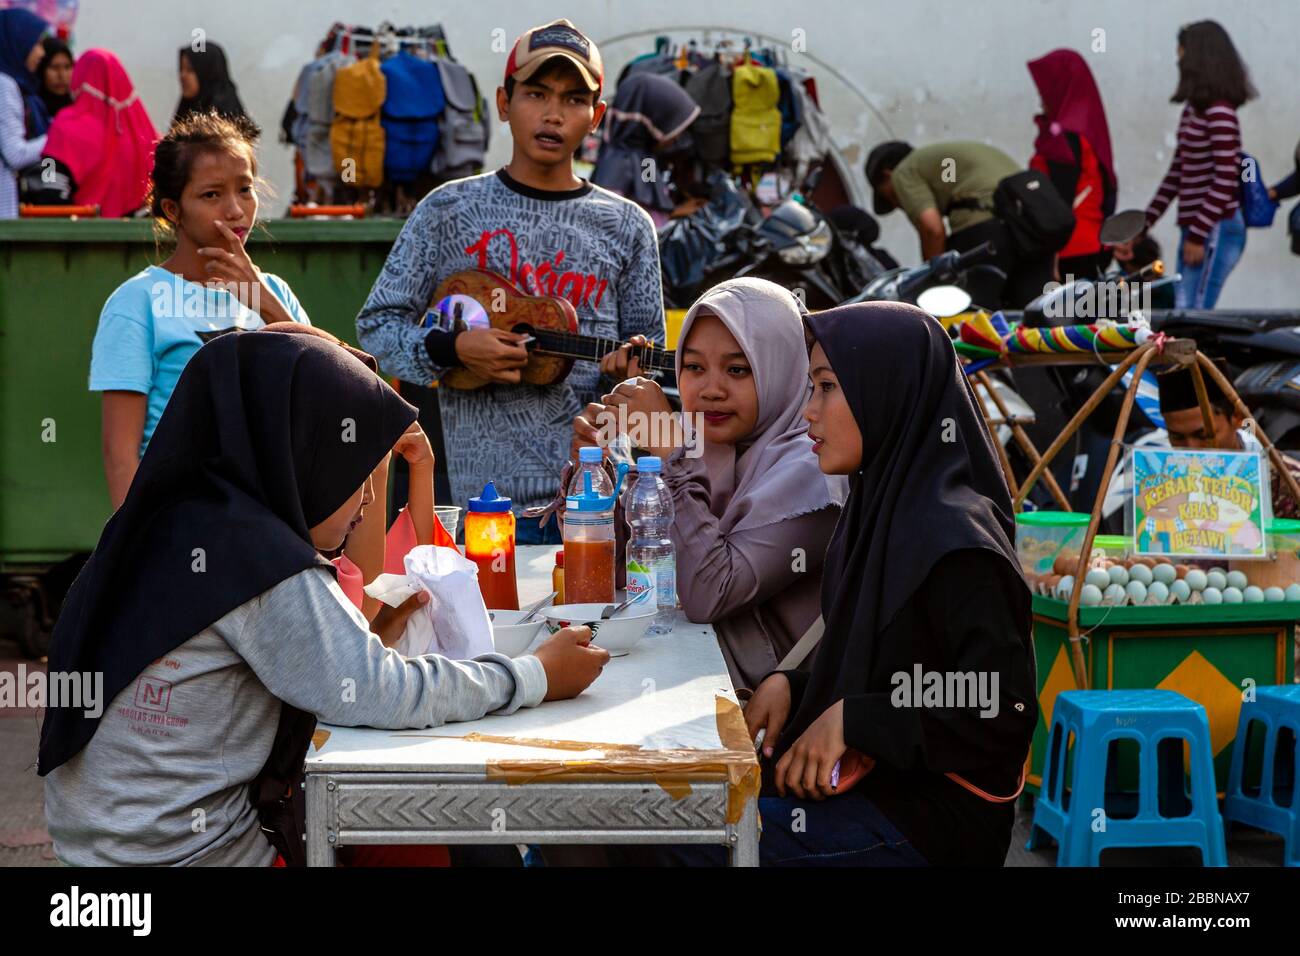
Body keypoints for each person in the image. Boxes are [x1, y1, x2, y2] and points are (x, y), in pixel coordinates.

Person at [39, 330, 608, 866]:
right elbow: (385, 694)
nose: (366, 495)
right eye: (353, 470)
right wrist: (534, 675)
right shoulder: (260, 563)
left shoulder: (166, 528)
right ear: (297, 455)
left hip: (97, 858)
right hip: (197, 855)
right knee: (453, 842)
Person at [615, 301, 1038, 866]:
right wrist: (791, 681)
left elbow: (999, 707)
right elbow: (877, 645)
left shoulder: (956, 542)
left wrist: (858, 720)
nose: (809, 411)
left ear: (888, 392)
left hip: (927, 823)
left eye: (828, 388)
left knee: (671, 843)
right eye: (810, 387)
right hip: (871, 788)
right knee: (628, 812)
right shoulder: (877, 509)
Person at [356, 19, 665, 545]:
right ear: (503, 101)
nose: (552, 113)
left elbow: (650, 370)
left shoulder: (628, 225)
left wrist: (626, 378)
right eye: (536, 93)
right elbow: (378, 330)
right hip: (479, 506)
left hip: (592, 504)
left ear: (597, 117)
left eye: (572, 99)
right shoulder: (448, 210)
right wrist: (453, 348)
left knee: (583, 627)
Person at [572, 278, 848, 689]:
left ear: (785, 367)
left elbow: (708, 594)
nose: (710, 390)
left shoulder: (816, 466)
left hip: (768, 712)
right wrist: (597, 473)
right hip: (685, 674)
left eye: (737, 370)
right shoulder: (698, 440)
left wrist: (671, 456)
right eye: (694, 367)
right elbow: (622, 575)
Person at [90, 109, 306, 508]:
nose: (236, 210)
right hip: (178, 524)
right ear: (173, 210)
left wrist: (266, 303)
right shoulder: (137, 302)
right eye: (212, 194)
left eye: (245, 188)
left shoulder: (274, 294)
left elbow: (321, 394)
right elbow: (121, 457)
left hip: (272, 524)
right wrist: (136, 555)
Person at [864, 139, 1054, 308]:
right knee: (1029, 313)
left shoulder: (903, 172)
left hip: (986, 232)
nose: (898, 205)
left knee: (967, 314)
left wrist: (931, 281)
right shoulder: (945, 155)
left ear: (887, 175)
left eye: (889, 197)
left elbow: (932, 230)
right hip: (1032, 231)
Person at [1145, 20, 1255, 309]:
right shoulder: (1194, 110)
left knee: (1193, 310)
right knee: (1185, 308)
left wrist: (1198, 234)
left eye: (1181, 52)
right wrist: (1144, 222)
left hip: (1214, 229)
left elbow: (1225, 179)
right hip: (1196, 227)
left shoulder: (1220, 113)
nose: (1178, 60)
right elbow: (1177, 174)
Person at [1156, 364, 1300, 519]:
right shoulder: (1159, 479)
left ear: (1237, 417)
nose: (1191, 449)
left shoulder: (1283, 482)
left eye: (1204, 436)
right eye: (1177, 437)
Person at [1027, 48, 1117, 280]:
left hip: (1069, 253)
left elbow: (1057, 205)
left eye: (1045, 90)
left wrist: (1052, 258)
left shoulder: (1062, 138)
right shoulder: (1089, 133)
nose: (1041, 99)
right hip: (1095, 245)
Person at [39, 48, 157, 215]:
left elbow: (50, 186)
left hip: (79, 232)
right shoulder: (144, 131)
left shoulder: (65, 125)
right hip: (136, 233)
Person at [591, 71, 700, 226]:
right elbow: (609, 225)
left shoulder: (645, 158)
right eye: (670, 127)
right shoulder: (617, 165)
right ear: (650, 121)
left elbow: (650, 198)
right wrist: (677, 213)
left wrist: (677, 209)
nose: (676, 137)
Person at [0, 8, 49, 218]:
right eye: (36, 43)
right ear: (17, 41)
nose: (42, 53)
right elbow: (15, 154)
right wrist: (58, 135)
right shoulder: (4, 85)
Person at [173, 41, 247, 126]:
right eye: (181, 69)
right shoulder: (187, 110)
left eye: (190, 69)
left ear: (208, 73)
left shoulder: (225, 122)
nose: (182, 76)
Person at [35, 34, 72, 119]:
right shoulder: (31, 109)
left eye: (67, 67)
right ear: (41, 69)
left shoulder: (78, 107)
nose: (62, 75)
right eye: (54, 67)